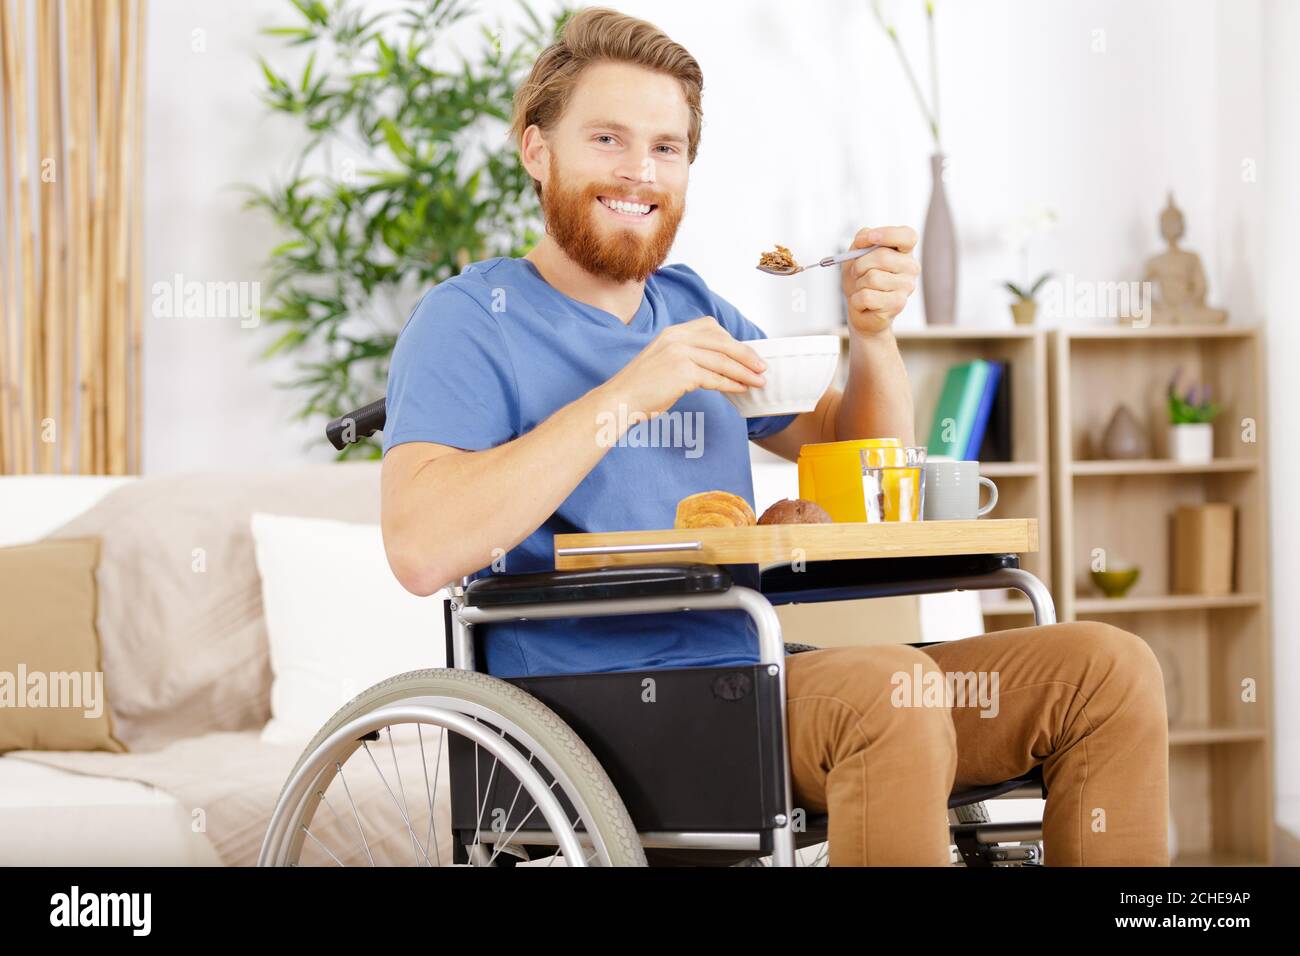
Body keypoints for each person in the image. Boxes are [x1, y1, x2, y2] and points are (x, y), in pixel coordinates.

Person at [380, 6, 1169, 866]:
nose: (639, 172)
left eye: (666, 148)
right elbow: (421, 549)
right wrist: (628, 394)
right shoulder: (470, 320)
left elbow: (856, 458)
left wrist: (872, 334)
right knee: (886, 693)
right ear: (538, 151)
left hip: (751, 672)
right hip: (596, 708)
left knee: (1107, 670)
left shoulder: (694, 309)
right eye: (606, 139)